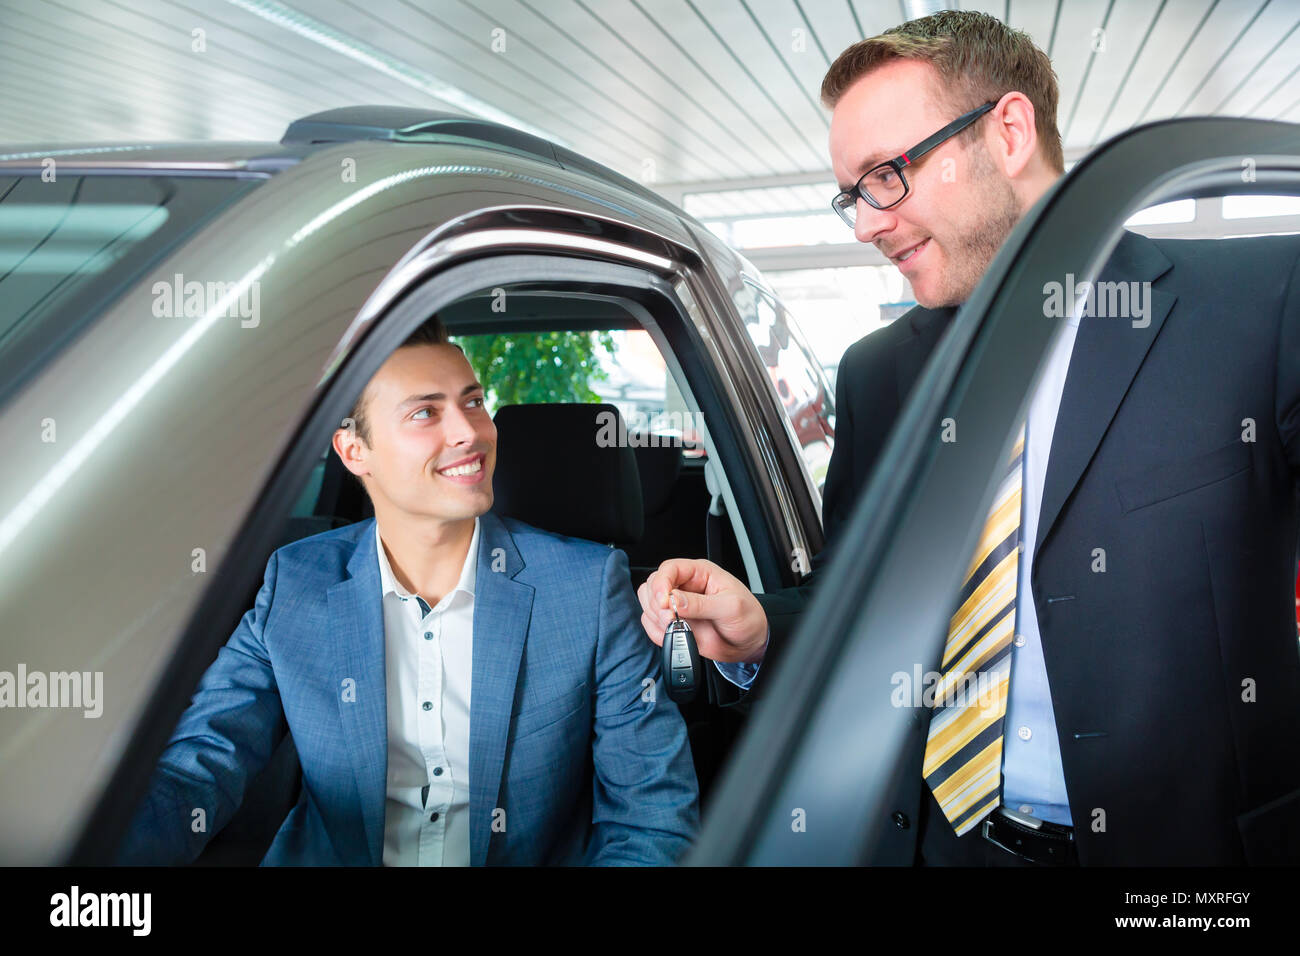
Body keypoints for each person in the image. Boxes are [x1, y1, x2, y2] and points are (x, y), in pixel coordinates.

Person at [638, 10, 1300, 866]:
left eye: (886, 176)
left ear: (1009, 131)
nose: (867, 225)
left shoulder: (1260, 303)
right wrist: (763, 627)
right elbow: (859, 600)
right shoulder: (877, 374)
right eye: (852, 196)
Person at [119, 314, 698, 866]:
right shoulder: (297, 582)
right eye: (426, 413)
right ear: (354, 451)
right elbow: (199, 768)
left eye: (472, 402)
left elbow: (651, 820)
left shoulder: (589, 590)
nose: (469, 432)